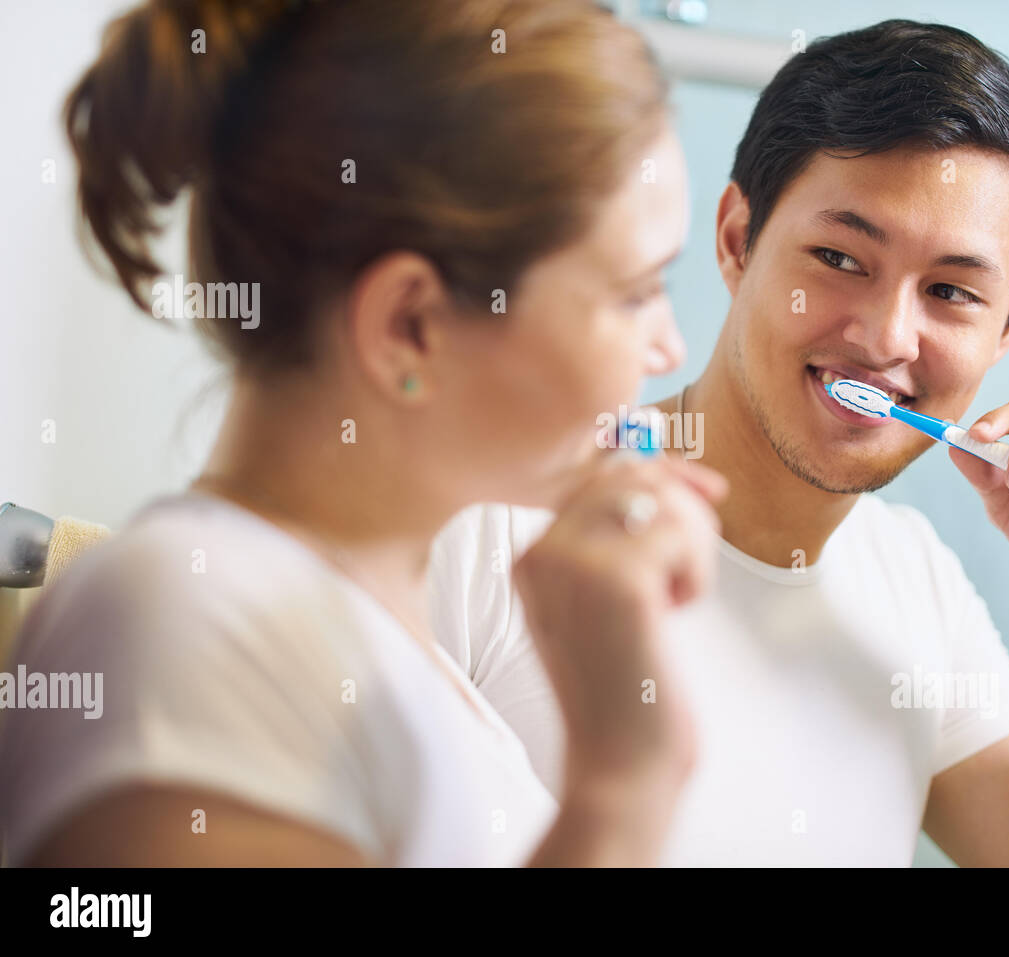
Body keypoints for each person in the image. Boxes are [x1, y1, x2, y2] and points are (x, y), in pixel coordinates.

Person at [429, 20, 1009, 866]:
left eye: (950, 290)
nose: (885, 337)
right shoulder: (485, 520)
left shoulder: (914, 582)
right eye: (839, 257)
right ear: (738, 239)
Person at [0, 0, 727, 867]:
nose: (670, 348)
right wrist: (621, 786)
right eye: (638, 292)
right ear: (410, 326)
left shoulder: (385, 643)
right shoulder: (184, 633)